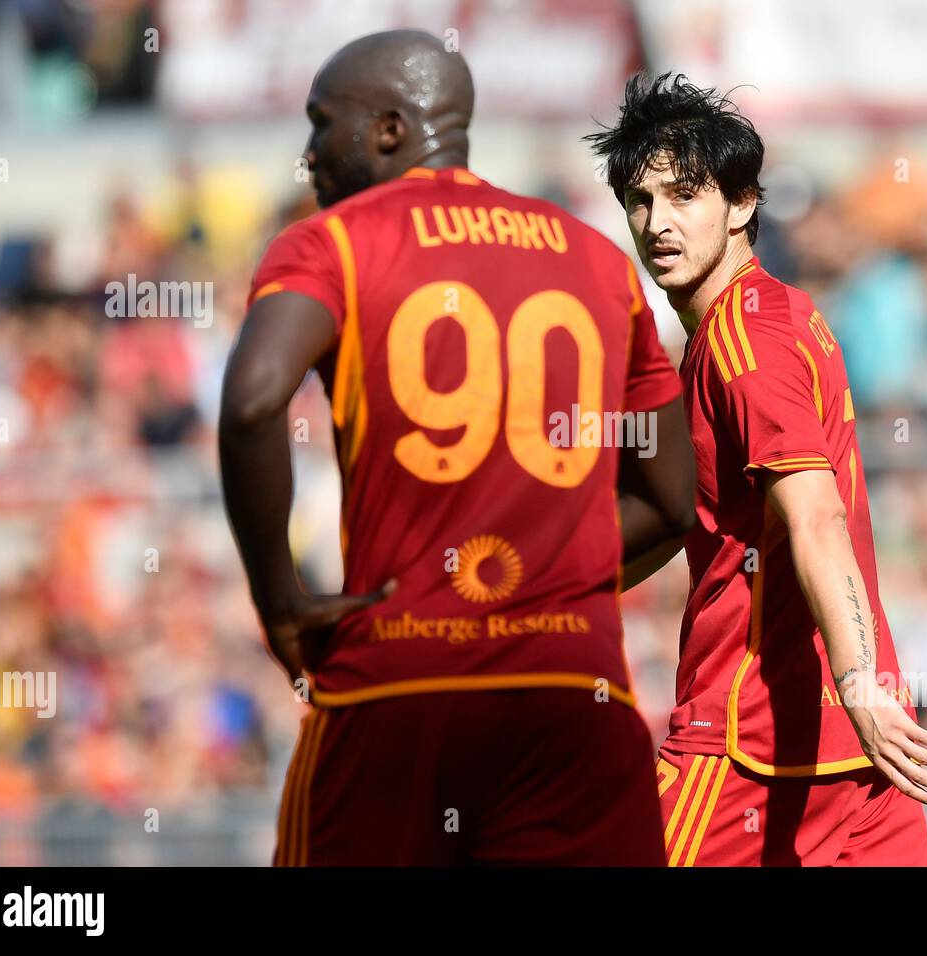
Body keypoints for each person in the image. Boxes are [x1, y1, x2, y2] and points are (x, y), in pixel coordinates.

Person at [219, 32, 695, 866]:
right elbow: (670, 501)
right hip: (575, 694)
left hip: (401, 688)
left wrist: (280, 601)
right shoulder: (596, 260)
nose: (310, 155)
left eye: (323, 124)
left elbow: (255, 398)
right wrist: (550, 579)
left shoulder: (331, 242)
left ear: (391, 129)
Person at [588, 73, 927, 866]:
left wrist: (858, 685)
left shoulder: (743, 343)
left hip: (747, 739)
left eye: (684, 196)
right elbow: (691, 521)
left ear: (744, 203)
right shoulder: (779, 316)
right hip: (857, 750)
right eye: (640, 201)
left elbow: (815, 513)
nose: (658, 222)